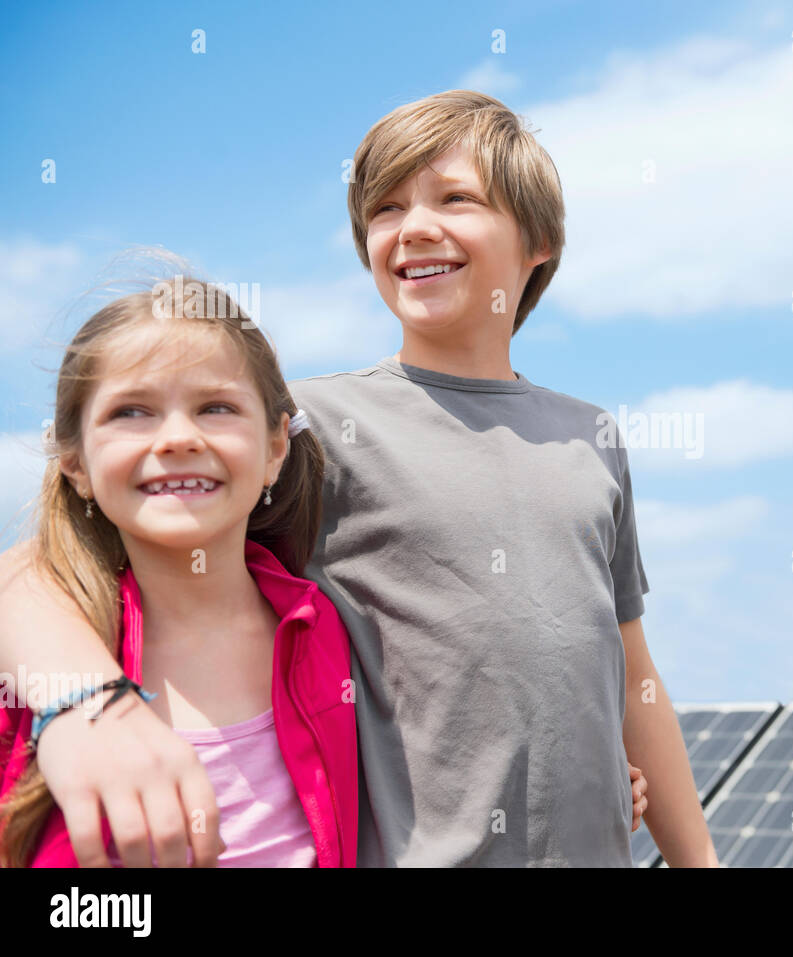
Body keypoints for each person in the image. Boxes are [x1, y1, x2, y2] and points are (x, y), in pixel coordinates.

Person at [2, 88, 704, 867]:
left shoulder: (593, 437)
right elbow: (48, 563)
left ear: (538, 239)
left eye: (455, 199)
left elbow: (632, 672)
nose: (415, 228)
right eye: (387, 208)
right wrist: (84, 704)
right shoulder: (306, 428)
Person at [0, 278, 357, 866]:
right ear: (75, 464)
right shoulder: (35, 665)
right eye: (130, 412)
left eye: (216, 407)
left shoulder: (336, 632)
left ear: (275, 450)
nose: (178, 438)